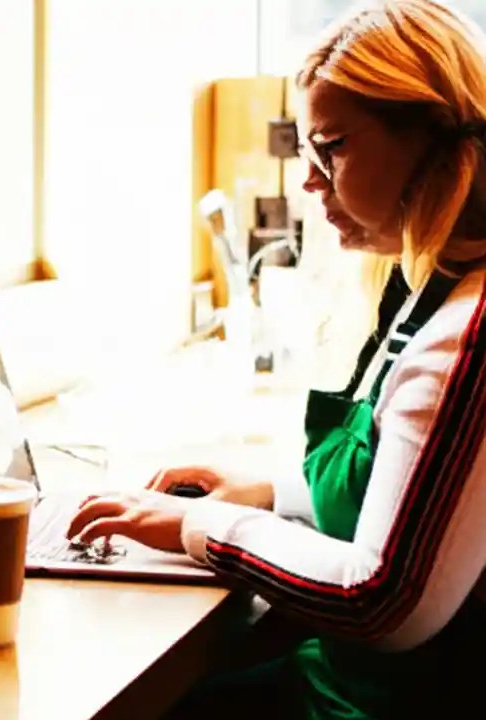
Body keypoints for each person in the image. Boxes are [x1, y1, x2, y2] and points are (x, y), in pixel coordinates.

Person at [66, 2, 486, 718]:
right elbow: (409, 486)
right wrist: (273, 494)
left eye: (334, 148)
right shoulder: (429, 292)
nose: (312, 183)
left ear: (431, 137)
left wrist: (198, 529)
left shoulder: (467, 335)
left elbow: (381, 601)